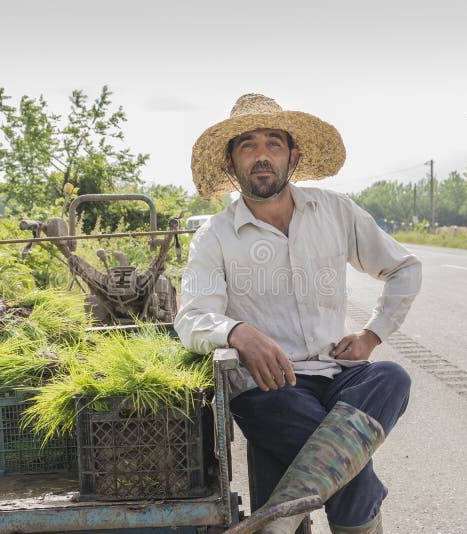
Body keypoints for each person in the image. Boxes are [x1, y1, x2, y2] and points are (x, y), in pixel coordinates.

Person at [175, 94, 422, 534]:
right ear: (232, 165)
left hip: (336, 372)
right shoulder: (214, 236)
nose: (262, 155)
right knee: (354, 473)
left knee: (391, 378)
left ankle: (281, 514)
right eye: (247, 145)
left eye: (273, 142)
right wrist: (237, 332)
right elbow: (192, 317)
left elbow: (404, 268)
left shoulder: (335, 211)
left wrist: (371, 335)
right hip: (270, 386)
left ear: (294, 155)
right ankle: (333, 509)